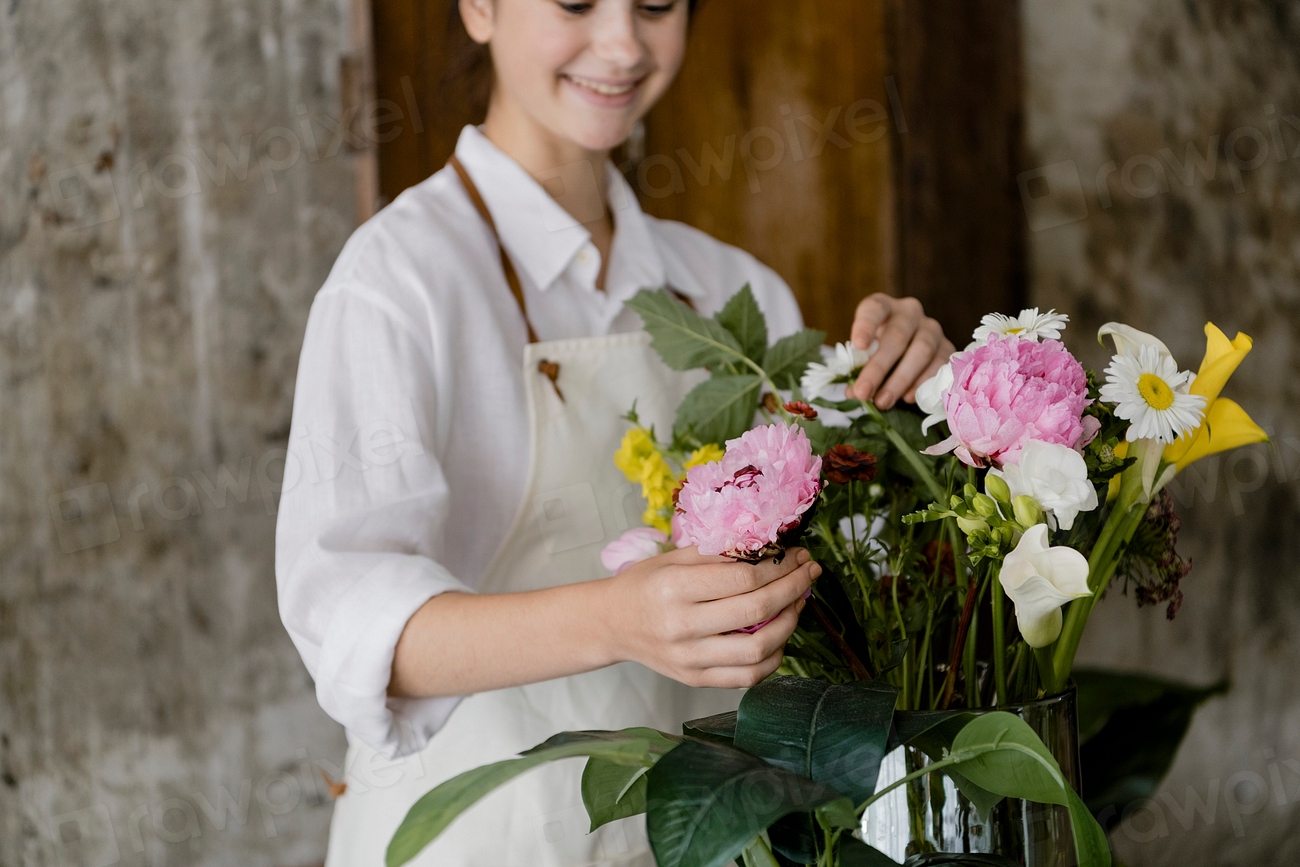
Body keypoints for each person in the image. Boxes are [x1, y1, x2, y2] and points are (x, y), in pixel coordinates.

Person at [275, 0, 955, 863]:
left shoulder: (725, 289)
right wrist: (613, 619)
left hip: (702, 838)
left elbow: (852, 569)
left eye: (657, 4)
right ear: (479, 8)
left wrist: (921, 399)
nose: (625, 42)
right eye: (574, 2)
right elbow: (351, 624)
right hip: (481, 838)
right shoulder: (397, 282)